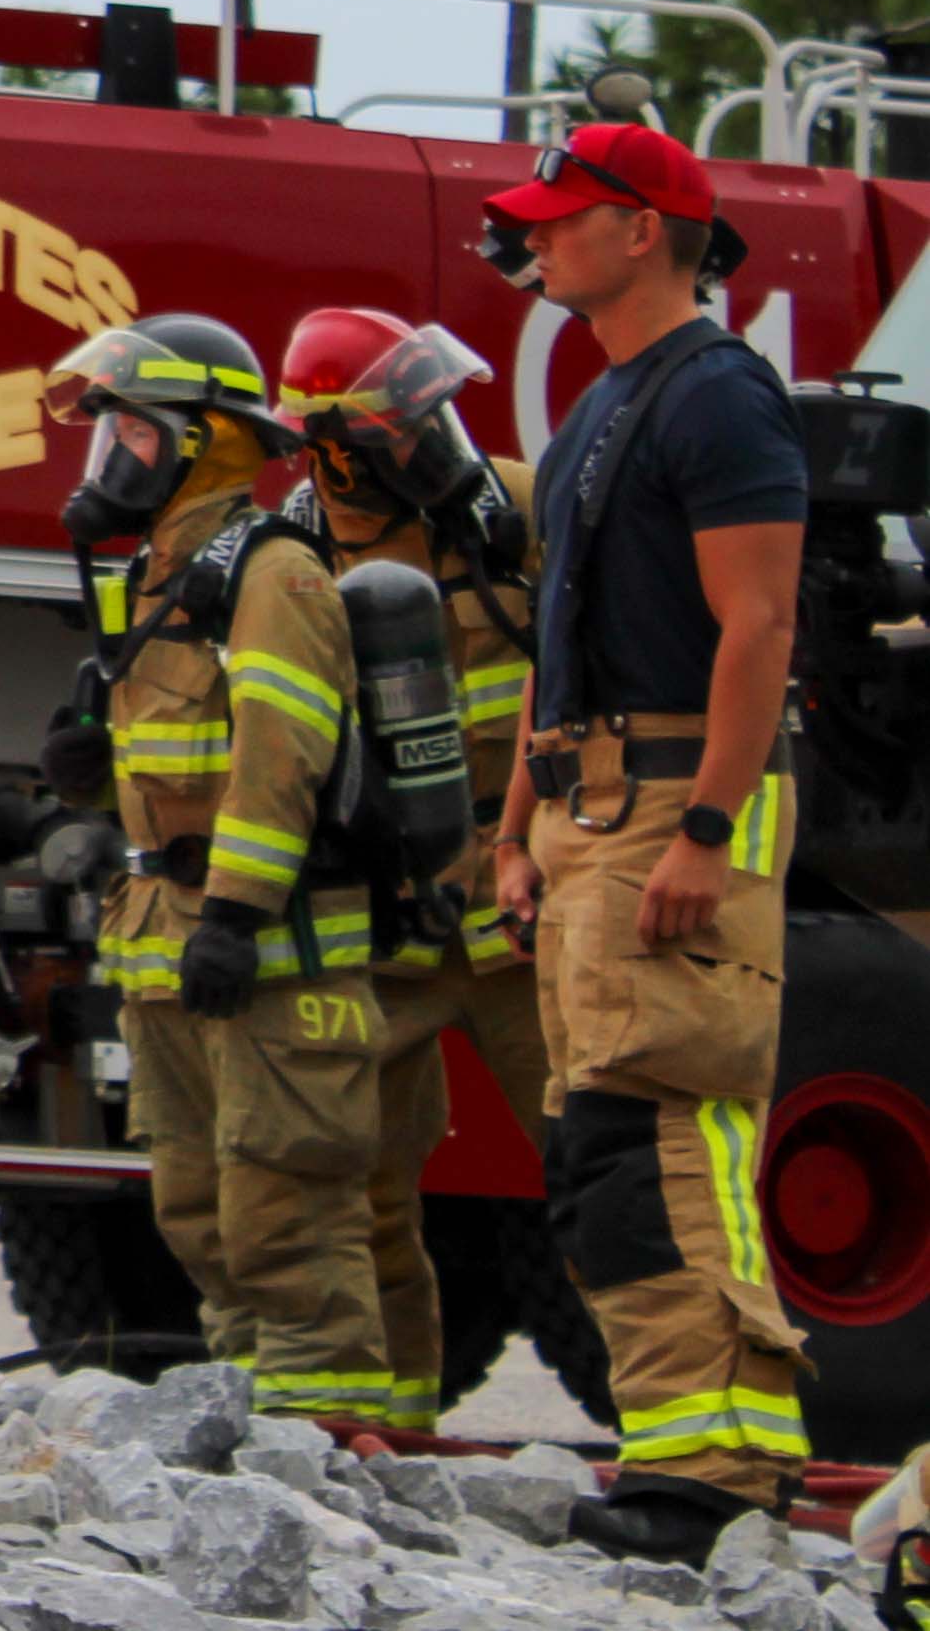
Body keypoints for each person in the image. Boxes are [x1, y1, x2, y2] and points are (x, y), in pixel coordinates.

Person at [482, 120, 810, 1561]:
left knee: (661, 1127)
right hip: (590, 806)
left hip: (671, 798)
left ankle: (719, 1473)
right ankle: (676, 1451)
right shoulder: (612, 406)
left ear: (642, 229)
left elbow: (760, 623)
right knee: (604, 1141)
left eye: (562, 216)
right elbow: (554, 652)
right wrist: (517, 828)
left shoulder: (717, 397)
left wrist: (709, 831)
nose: (535, 238)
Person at [53, 316, 395, 1431]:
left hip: (268, 953)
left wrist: (237, 914)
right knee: (199, 1211)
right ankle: (257, 1431)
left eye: (128, 435)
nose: (106, 461)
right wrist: (94, 778)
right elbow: (179, 767)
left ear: (203, 443)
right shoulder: (163, 574)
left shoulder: (273, 570)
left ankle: (330, 1442)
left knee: (284, 1211)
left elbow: (279, 760)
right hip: (166, 936)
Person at [275, 304, 549, 1437]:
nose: (439, 438)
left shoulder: (519, 511)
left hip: (524, 905)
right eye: (408, 421)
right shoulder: (284, 559)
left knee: (608, 1165)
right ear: (337, 445)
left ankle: (690, 1441)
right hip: (380, 921)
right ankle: (393, 1432)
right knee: (363, 1188)